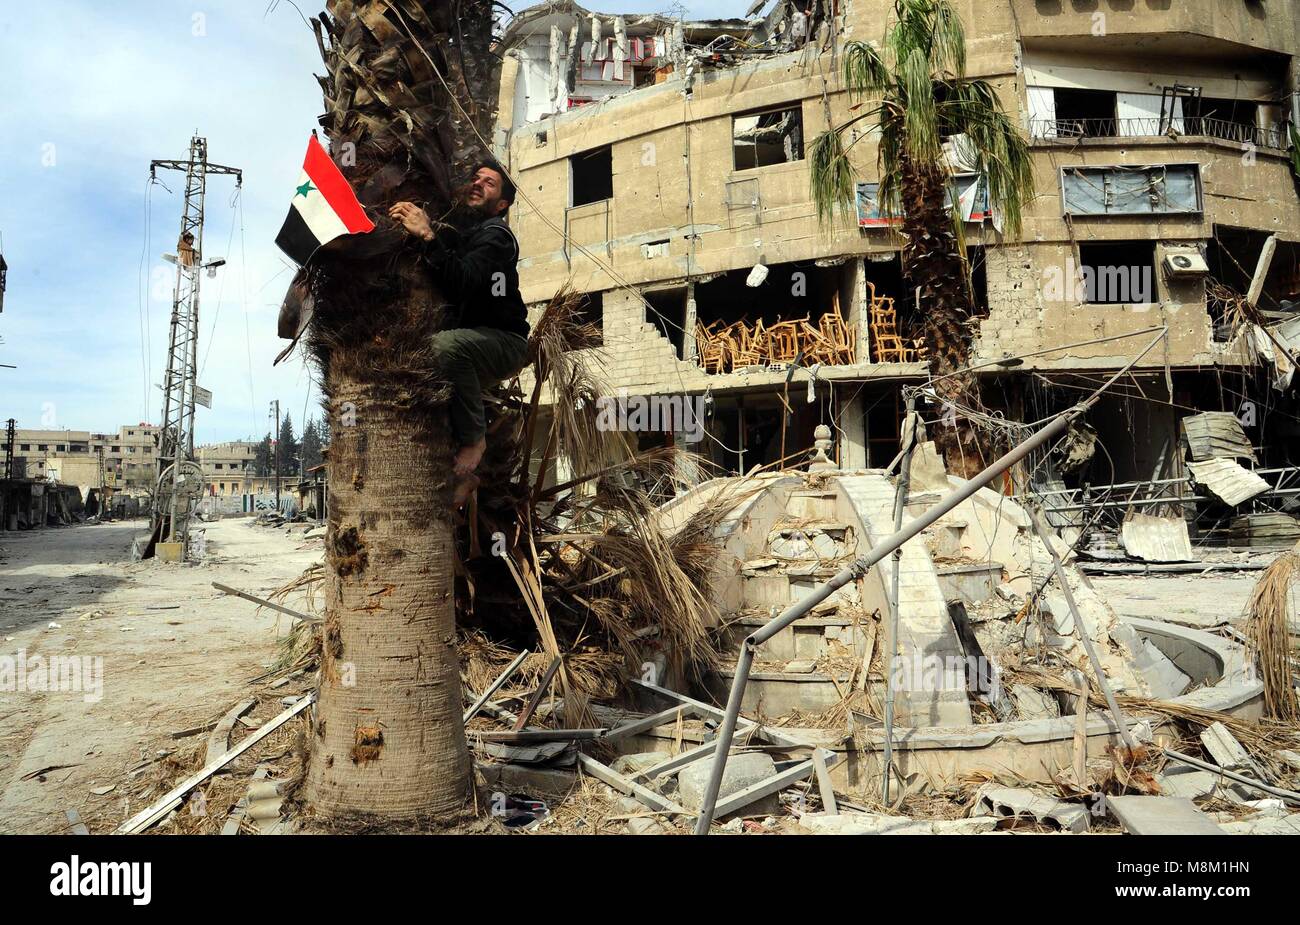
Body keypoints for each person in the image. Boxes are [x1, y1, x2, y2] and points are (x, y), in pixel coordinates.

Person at [389, 163, 530, 504]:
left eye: (490, 183)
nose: (478, 183)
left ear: (502, 204)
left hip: (504, 342)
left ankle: (474, 443)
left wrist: (426, 234)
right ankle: (461, 478)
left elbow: (463, 281)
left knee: (444, 347)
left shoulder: (496, 236)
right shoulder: (465, 233)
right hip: (475, 346)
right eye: (476, 178)